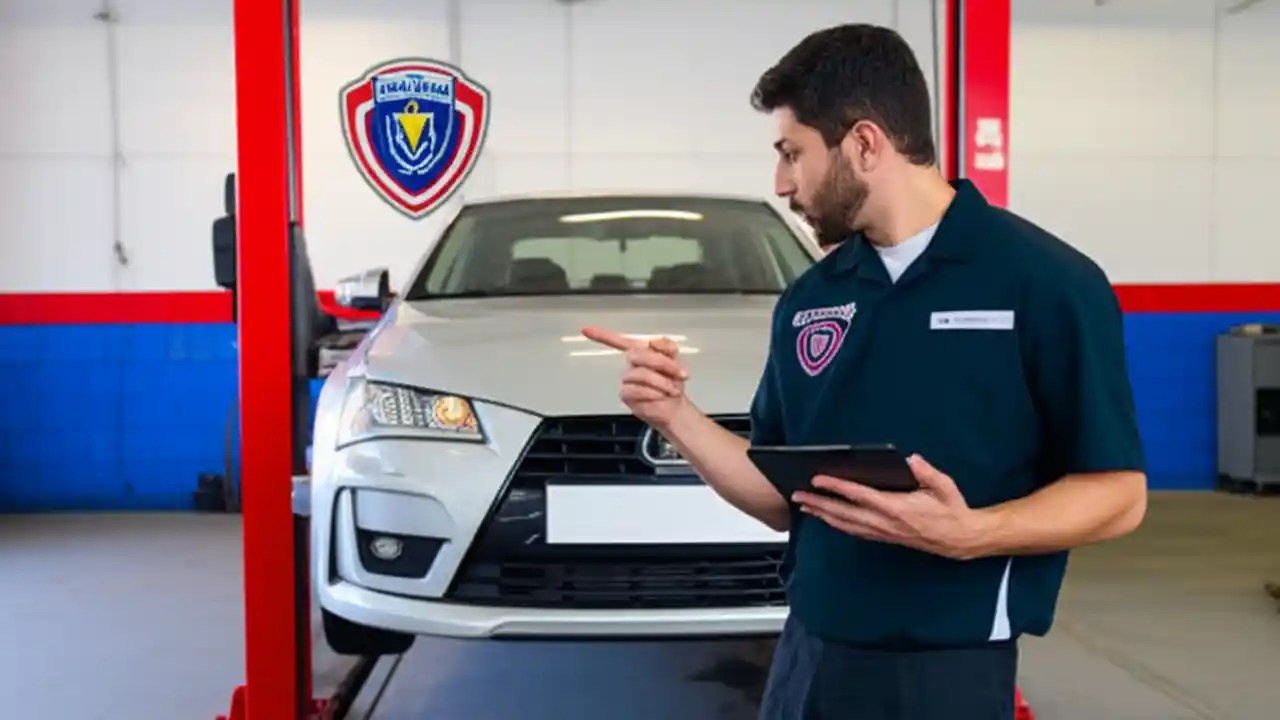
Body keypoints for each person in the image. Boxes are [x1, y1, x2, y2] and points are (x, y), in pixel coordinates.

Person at [582, 23, 1147, 720]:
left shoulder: (1045, 283)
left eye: (793, 154)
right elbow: (776, 495)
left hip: (946, 667)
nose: (782, 182)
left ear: (865, 143)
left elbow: (1120, 494)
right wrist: (675, 416)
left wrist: (974, 533)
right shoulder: (811, 299)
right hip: (807, 656)